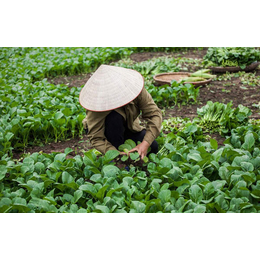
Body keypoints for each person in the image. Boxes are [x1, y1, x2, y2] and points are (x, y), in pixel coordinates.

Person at [79, 64, 162, 159]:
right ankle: (117, 153)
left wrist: (145, 144)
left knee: (153, 147)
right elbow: (96, 138)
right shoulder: (97, 103)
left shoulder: (134, 89)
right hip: (107, 128)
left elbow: (155, 114)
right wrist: (116, 154)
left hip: (129, 125)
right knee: (114, 118)